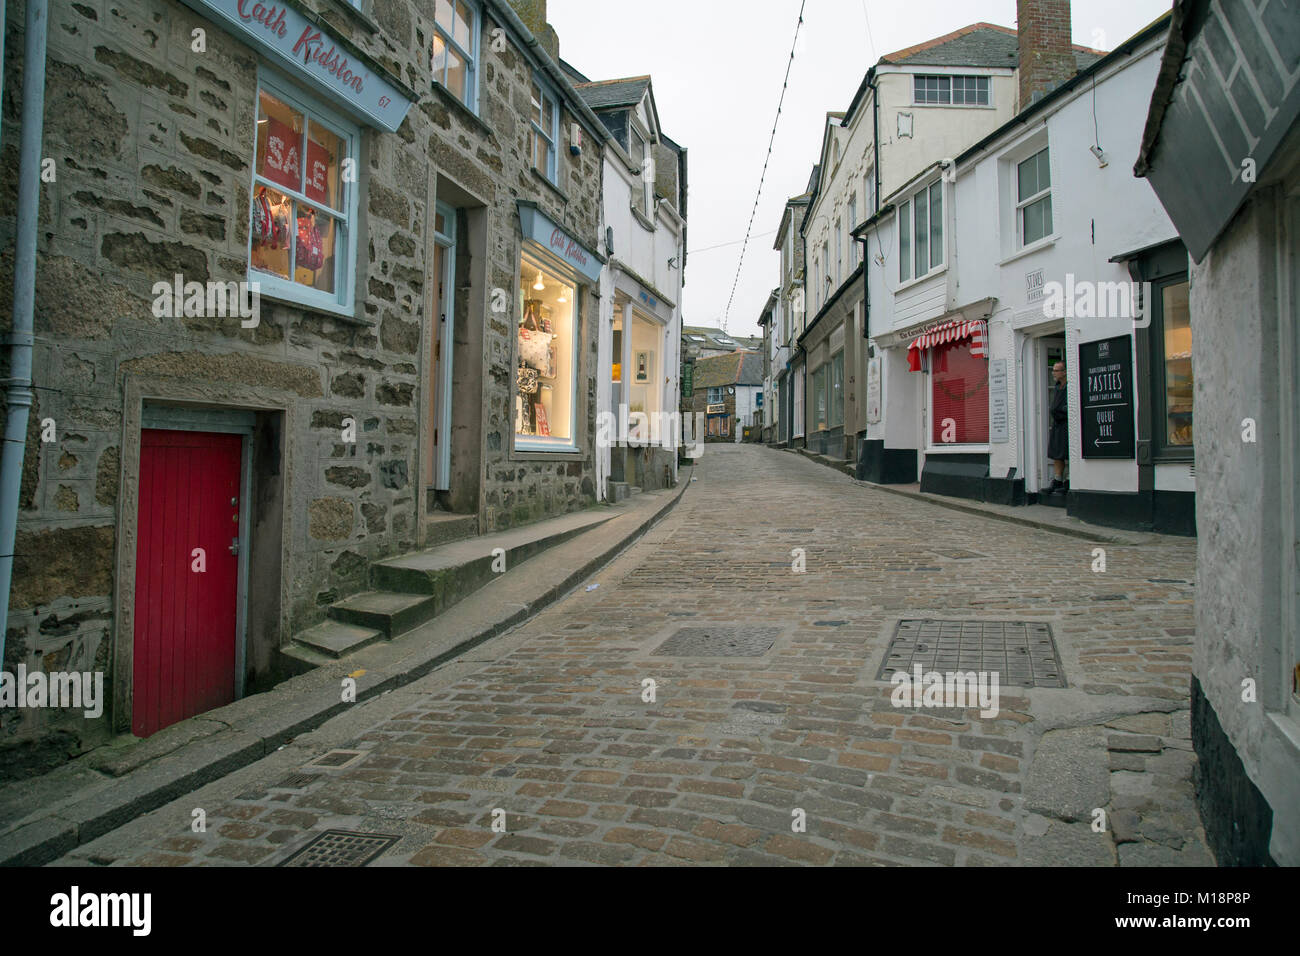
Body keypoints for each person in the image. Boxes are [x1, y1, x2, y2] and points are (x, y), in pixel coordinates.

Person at [1048, 361, 1069, 494]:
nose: (1054, 373)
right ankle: (1057, 480)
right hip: (1057, 424)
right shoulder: (1057, 387)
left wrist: (1063, 410)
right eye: (1053, 370)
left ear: (1064, 372)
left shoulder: (1069, 386)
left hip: (1067, 423)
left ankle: (1069, 480)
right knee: (1056, 452)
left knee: (1067, 451)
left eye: (1056, 370)